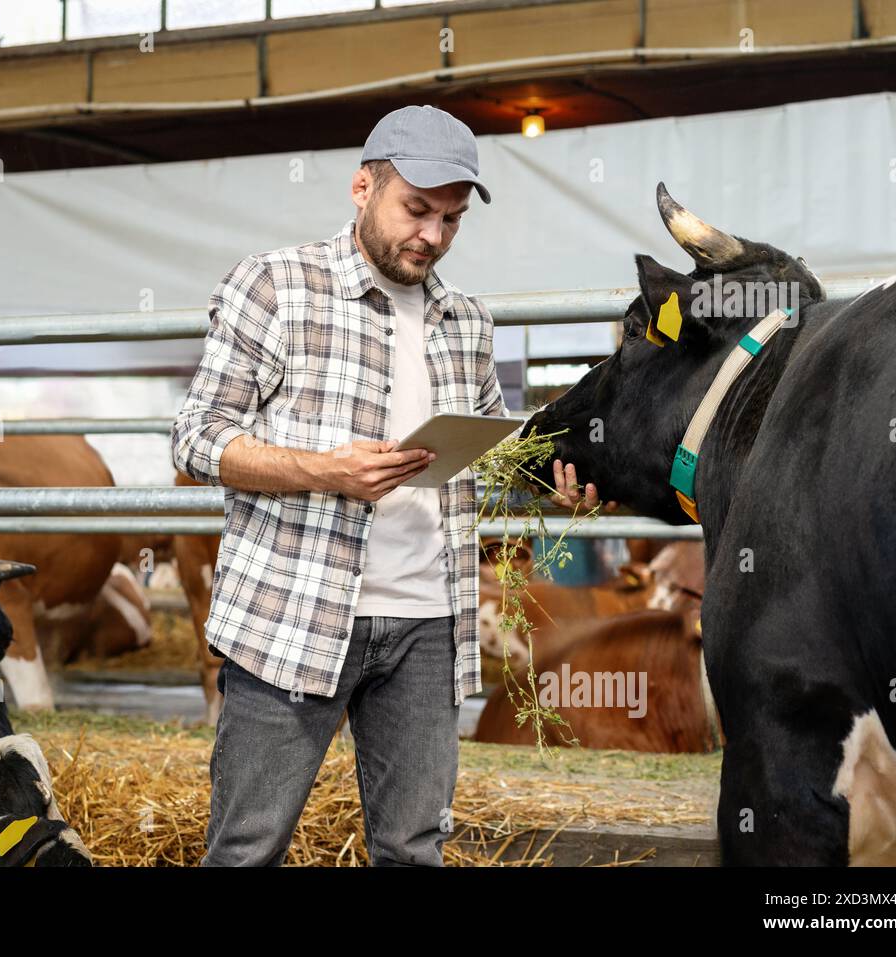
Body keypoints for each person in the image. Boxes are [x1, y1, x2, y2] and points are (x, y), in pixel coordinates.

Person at [171, 105, 605, 866]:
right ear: (362, 186)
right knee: (246, 847)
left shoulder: (466, 320)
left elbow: (487, 457)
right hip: (294, 613)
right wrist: (326, 470)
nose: (432, 236)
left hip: (428, 623)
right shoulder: (276, 286)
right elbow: (197, 438)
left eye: (452, 219)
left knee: (412, 848)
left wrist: (550, 487)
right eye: (416, 209)